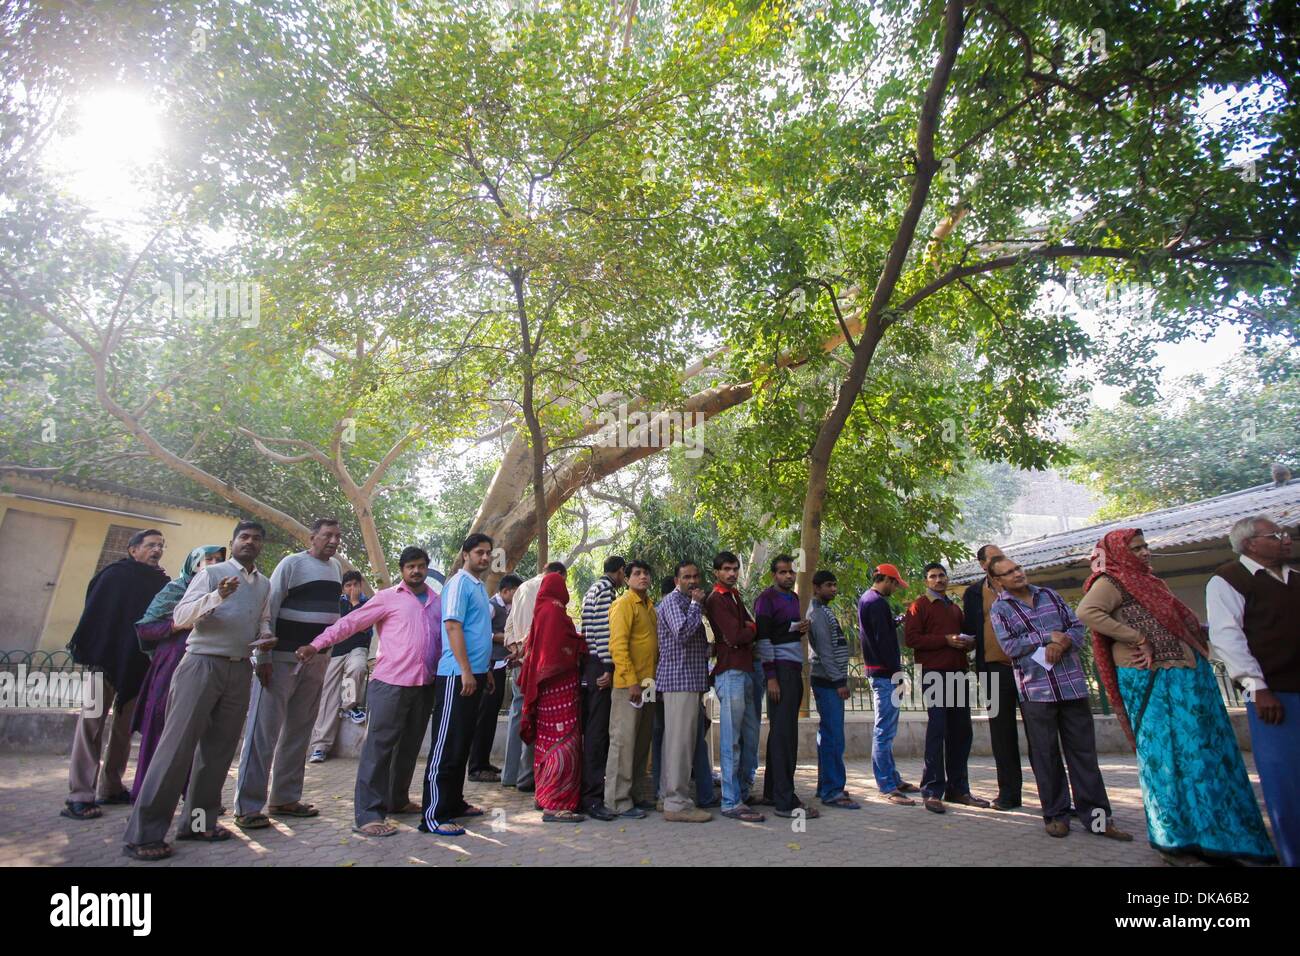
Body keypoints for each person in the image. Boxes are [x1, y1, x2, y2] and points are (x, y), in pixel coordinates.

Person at [1080, 528, 1275, 864]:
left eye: (1145, 546)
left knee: (1204, 754)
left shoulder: (1151, 582)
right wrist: (1135, 636)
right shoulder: (1110, 581)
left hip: (1187, 676)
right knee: (1167, 757)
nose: (1144, 552)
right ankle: (1176, 837)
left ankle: (1221, 833)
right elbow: (1088, 612)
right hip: (1151, 680)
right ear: (1119, 552)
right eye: (1136, 548)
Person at [123, 521, 273, 860]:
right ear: (233, 542)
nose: (250, 543)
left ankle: (197, 823)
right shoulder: (210, 574)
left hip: (239, 668)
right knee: (176, 748)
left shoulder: (263, 584)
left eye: (256, 539)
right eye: (244, 537)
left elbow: (262, 619)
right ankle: (144, 833)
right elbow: (181, 615)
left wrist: (264, 639)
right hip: (201, 663)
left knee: (218, 752)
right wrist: (218, 595)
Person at [296, 547, 441, 838]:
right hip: (390, 685)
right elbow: (351, 623)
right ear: (402, 570)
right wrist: (317, 644)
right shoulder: (388, 598)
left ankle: (396, 800)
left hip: (425, 685)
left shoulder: (437, 601)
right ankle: (368, 814)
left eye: (421, 566)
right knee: (378, 750)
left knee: (409, 748)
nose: (416, 571)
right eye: (410, 566)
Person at [988, 555, 1132, 842]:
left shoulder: (1050, 596)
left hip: (1072, 686)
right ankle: (1056, 815)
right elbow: (1009, 646)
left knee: (1084, 755)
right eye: (1009, 573)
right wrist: (1047, 638)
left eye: (1018, 568)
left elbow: (1077, 627)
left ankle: (1099, 818)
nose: (1017, 574)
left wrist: (1063, 640)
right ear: (998, 580)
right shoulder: (1000, 609)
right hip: (1036, 692)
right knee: (1046, 755)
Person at [234, 518, 343, 829]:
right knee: (263, 731)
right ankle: (249, 806)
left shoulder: (335, 569)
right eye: (327, 535)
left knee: (299, 731)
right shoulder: (292, 564)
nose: (333, 541)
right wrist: (264, 656)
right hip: (280, 660)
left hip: (316, 661)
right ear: (312, 537)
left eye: (337, 536)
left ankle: (285, 798)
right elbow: (270, 608)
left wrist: (324, 654)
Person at [1207, 515, 1299, 867]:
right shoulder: (1229, 580)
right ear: (1250, 544)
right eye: (1274, 535)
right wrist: (1257, 687)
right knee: (1286, 783)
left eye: (1285, 533)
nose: (1285, 539)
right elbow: (1227, 638)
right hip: (1273, 695)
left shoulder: (1295, 578)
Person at [64, 529, 170, 820]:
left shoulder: (162, 583)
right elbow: (95, 617)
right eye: (150, 545)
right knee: (91, 727)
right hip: (105, 663)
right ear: (133, 549)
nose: (157, 550)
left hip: (137, 668)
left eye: (160, 546)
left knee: (123, 730)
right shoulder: (113, 576)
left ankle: (111, 787)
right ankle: (80, 794)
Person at [130, 545, 227, 801]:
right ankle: (147, 798)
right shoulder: (176, 590)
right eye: (209, 559)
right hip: (172, 663)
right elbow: (146, 628)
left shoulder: (227, 592)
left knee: (203, 732)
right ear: (194, 562)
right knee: (162, 730)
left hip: (210, 663)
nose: (214, 564)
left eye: (219, 560)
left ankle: (192, 798)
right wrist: (175, 626)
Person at [420, 533, 496, 837]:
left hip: (474, 673)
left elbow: (478, 632)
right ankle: (433, 815)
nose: (486, 558)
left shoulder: (478, 586)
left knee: (462, 743)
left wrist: (483, 670)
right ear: (465, 554)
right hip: (455, 675)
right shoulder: (458, 583)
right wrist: (465, 669)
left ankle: (454, 803)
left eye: (489, 553)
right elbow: (452, 625)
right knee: (446, 745)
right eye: (479, 552)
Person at [904, 562, 989, 813]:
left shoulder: (954, 607)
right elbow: (912, 639)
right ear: (926, 581)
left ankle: (959, 789)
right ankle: (931, 790)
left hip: (959, 673)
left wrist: (967, 644)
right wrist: (945, 640)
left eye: (942, 576)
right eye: (933, 576)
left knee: (961, 731)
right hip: (934, 674)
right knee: (937, 730)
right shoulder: (918, 606)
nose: (939, 580)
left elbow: (963, 636)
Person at [518, 571, 587, 822]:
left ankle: (544, 795)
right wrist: (582, 644)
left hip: (545, 691)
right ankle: (557, 804)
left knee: (546, 742)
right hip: (560, 690)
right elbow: (561, 647)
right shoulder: (555, 611)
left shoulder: (541, 610)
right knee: (565, 741)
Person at [962, 543, 1024, 811]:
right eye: (995, 558)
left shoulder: (1022, 587)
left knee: (1042, 734)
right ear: (983, 565)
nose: (1002, 562)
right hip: (995, 669)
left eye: (1003, 556)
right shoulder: (974, 593)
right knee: (1002, 733)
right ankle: (1009, 793)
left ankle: (1054, 797)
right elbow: (971, 629)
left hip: (1030, 669)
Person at [704, 551, 765, 822]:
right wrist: (750, 629)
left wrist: (748, 630)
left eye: (734, 569)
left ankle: (741, 791)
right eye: (726, 569)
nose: (731, 573)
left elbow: (746, 632)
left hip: (746, 670)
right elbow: (736, 635)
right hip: (730, 672)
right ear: (717, 572)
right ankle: (730, 801)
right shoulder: (717, 599)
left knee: (750, 738)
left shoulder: (734, 596)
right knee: (732, 740)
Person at [651, 574, 716, 812]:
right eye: (687, 577)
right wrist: (697, 605)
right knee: (680, 743)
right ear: (677, 580)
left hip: (690, 680)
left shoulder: (687, 604)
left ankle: (666, 797)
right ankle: (677, 803)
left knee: (677, 742)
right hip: (679, 681)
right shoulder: (673, 602)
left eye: (696, 576)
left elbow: (697, 640)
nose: (693, 581)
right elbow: (682, 633)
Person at [754, 554, 811, 816]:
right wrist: (772, 677)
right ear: (773, 575)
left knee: (785, 734)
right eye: (782, 572)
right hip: (780, 673)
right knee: (783, 736)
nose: (788, 576)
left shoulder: (794, 598)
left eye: (790, 572)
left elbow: (783, 632)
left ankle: (772, 792)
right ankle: (784, 800)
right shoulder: (766, 600)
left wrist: (798, 629)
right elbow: (764, 639)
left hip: (794, 669)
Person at [501, 563, 566, 791]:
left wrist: (515, 648)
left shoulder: (522, 588)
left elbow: (508, 626)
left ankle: (510, 774)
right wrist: (528, 649)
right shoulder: (547, 590)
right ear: (559, 576)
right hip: (535, 662)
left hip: (519, 659)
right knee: (534, 715)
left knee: (517, 715)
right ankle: (528, 777)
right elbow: (538, 625)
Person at [858, 563, 919, 805]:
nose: (895, 588)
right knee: (884, 731)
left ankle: (892, 778)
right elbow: (884, 642)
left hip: (880, 672)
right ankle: (887, 785)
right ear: (887, 580)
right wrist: (898, 675)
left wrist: (899, 619)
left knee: (887, 730)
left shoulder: (868, 600)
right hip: (885, 675)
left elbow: (880, 630)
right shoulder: (877, 602)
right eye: (895, 584)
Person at [604, 559, 658, 818]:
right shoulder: (623, 604)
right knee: (623, 742)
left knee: (641, 744)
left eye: (646, 573)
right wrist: (631, 681)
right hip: (630, 686)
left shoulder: (649, 606)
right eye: (637, 573)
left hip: (649, 685)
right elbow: (618, 645)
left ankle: (635, 793)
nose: (643, 577)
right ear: (626, 578)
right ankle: (617, 800)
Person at [308, 569, 374, 763]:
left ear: (361, 585)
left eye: (355, 584)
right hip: (336, 652)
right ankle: (320, 746)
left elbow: (361, 625)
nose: (352, 588)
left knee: (357, 668)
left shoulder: (368, 604)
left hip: (358, 648)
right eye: (348, 585)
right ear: (343, 588)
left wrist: (355, 604)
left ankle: (348, 705)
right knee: (328, 697)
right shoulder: (337, 604)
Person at [579, 555, 627, 821]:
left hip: (591, 663)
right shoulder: (607, 592)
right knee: (597, 733)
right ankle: (593, 797)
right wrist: (608, 668)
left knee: (594, 731)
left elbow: (588, 631)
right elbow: (603, 633)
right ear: (620, 573)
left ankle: (591, 793)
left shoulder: (592, 590)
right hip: (600, 666)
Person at [808, 569, 859, 810]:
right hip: (827, 682)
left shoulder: (824, 611)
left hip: (829, 680)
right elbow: (825, 652)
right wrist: (839, 681)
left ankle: (826, 784)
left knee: (828, 735)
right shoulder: (817, 614)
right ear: (816, 588)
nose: (833, 589)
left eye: (834, 585)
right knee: (834, 737)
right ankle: (832, 790)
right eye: (828, 585)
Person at [466, 572, 517, 782]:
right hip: (489, 666)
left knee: (491, 716)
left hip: (500, 665)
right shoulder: (490, 607)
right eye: (514, 593)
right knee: (483, 716)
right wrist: (503, 638)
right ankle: (476, 766)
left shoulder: (508, 609)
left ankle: (484, 761)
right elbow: (479, 632)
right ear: (505, 591)